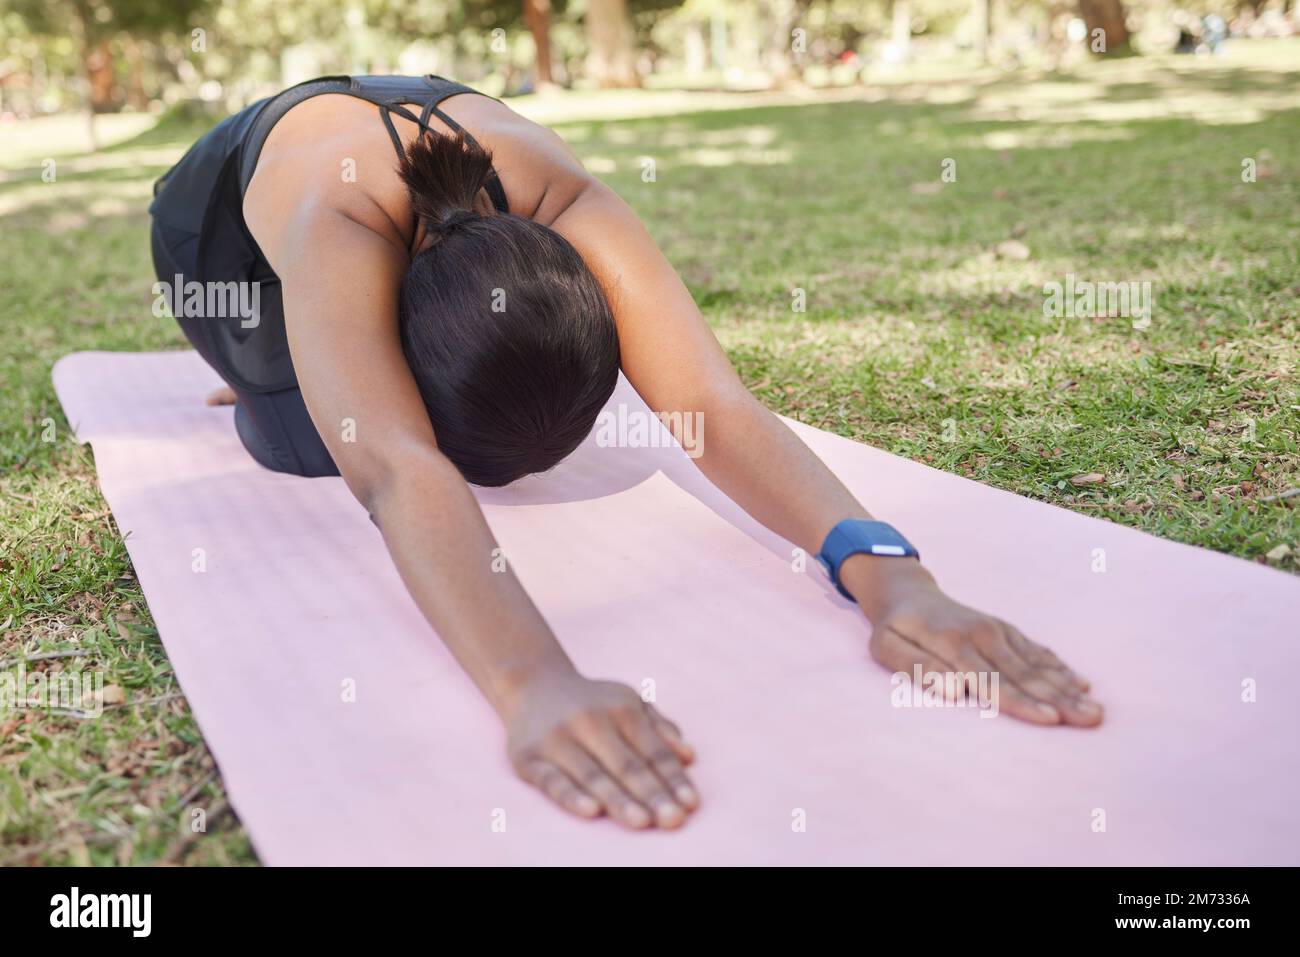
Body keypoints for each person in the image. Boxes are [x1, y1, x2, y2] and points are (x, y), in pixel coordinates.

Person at [149, 74, 1103, 831]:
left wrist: (897, 579)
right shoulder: (335, 223)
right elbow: (400, 466)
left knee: (356, 389)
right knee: (306, 437)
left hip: (390, 181)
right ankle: (293, 361)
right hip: (215, 230)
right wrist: (534, 681)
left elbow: (711, 404)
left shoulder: (561, 196)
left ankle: (338, 351)